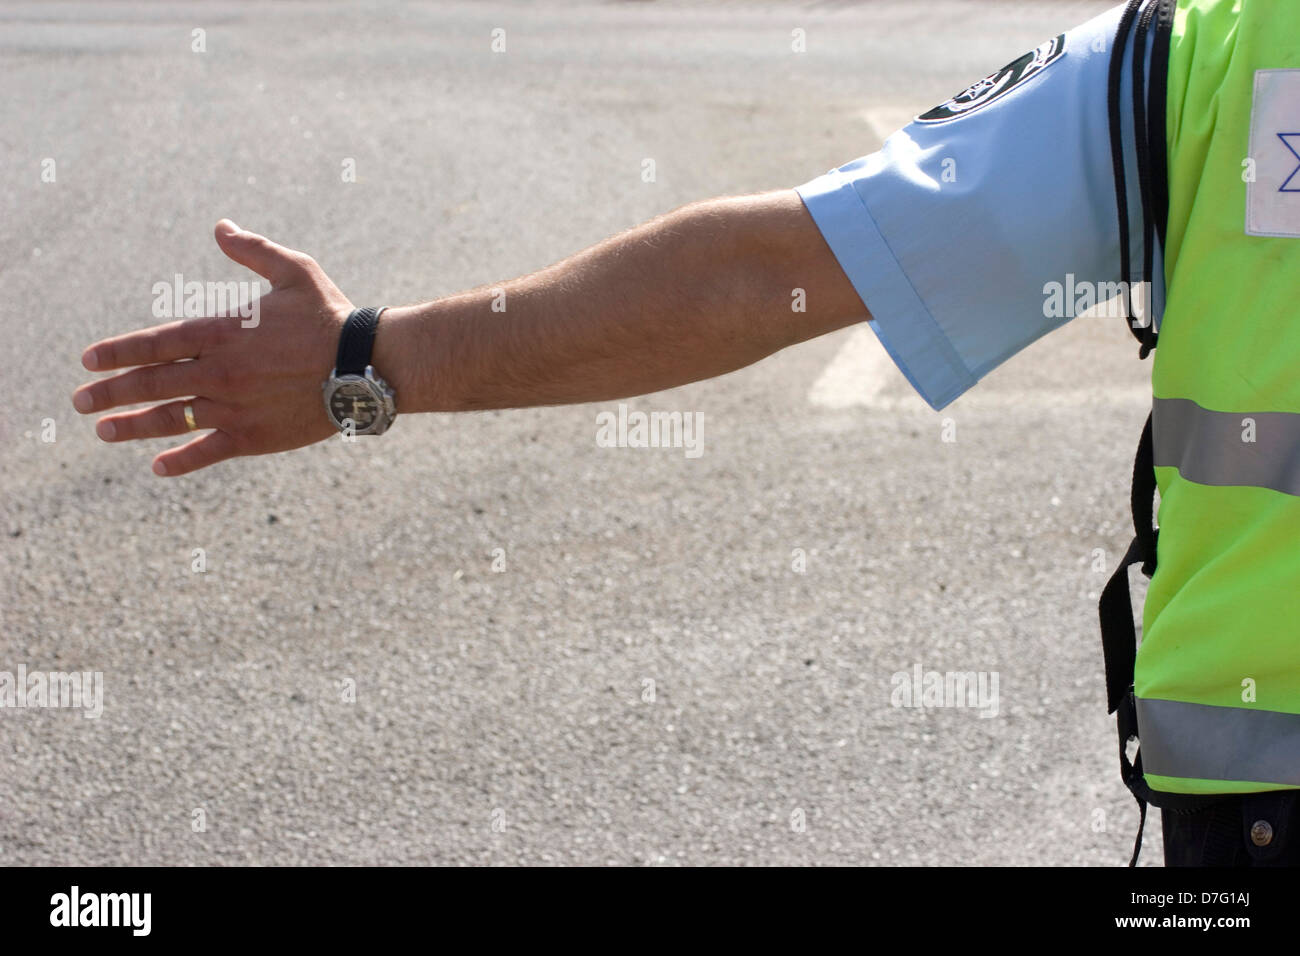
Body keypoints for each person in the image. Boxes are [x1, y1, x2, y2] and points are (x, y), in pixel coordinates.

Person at [72, 0, 1300, 866]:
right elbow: (757, 270)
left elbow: (766, 271)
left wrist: (364, 359)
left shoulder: (1222, 51)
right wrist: (363, 360)